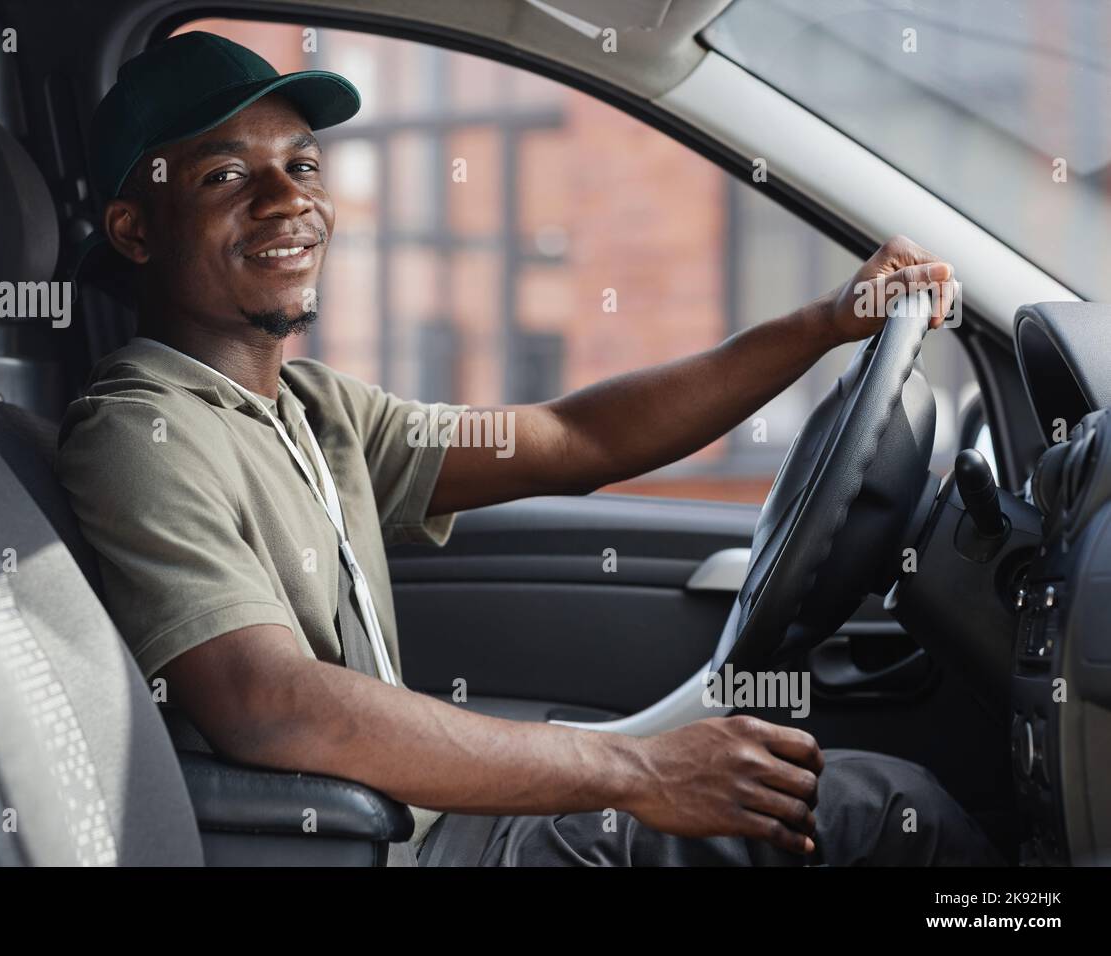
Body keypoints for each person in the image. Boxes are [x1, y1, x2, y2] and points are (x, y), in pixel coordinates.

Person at [57, 31, 998, 867]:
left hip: (423, 825)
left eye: (302, 167)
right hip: (393, 848)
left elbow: (575, 438)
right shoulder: (144, 432)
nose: (285, 201)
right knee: (889, 817)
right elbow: (270, 702)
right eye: (227, 177)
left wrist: (821, 324)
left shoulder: (310, 407)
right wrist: (634, 771)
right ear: (137, 229)